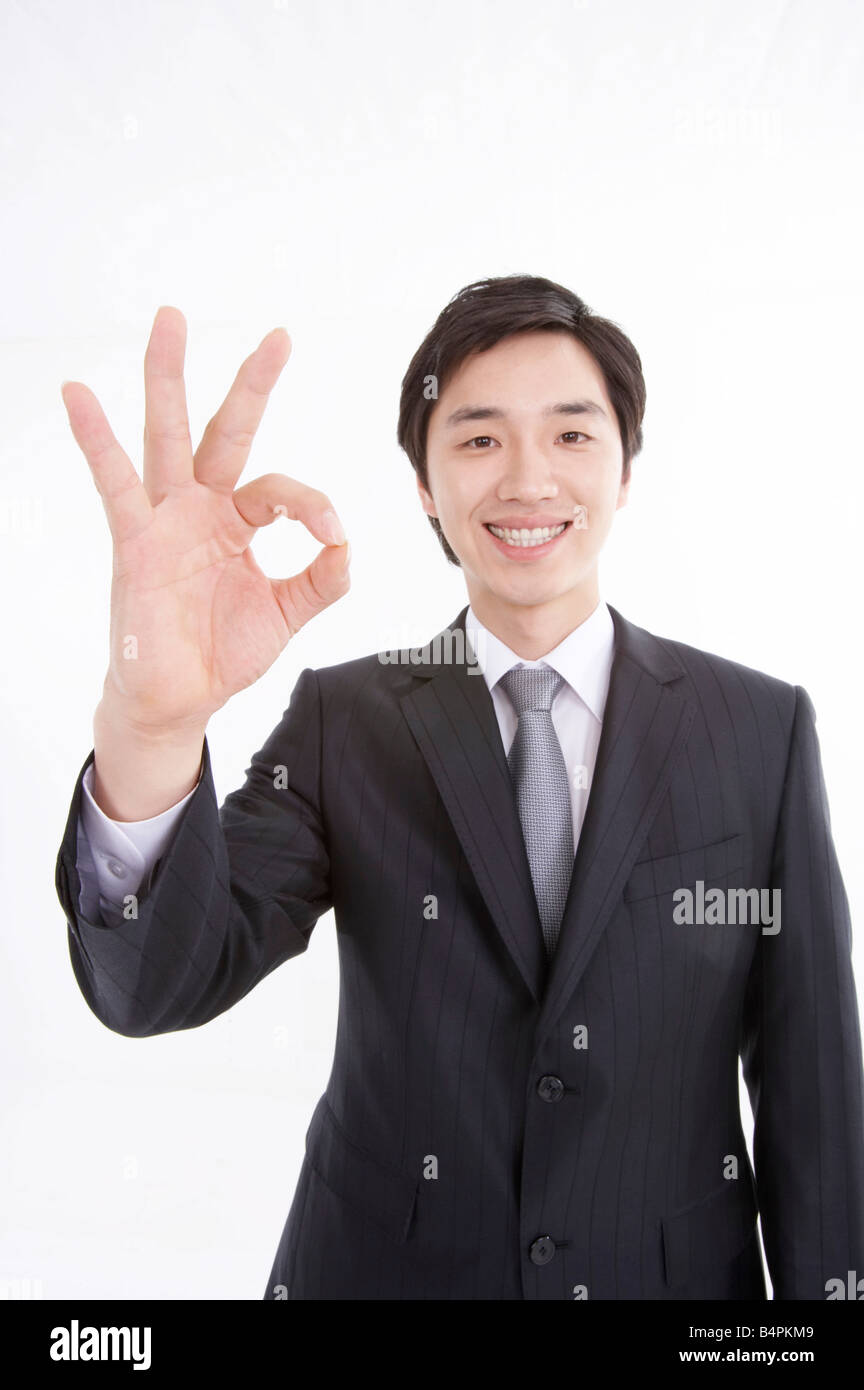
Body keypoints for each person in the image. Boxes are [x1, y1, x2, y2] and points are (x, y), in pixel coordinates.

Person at [55, 275, 864, 1300]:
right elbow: (158, 983)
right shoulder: (345, 720)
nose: (528, 480)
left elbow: (815, 1095)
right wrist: (152, 725)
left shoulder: (759, 728)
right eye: (479, 439)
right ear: (426, 486)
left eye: (572, 435)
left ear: (626, 471)